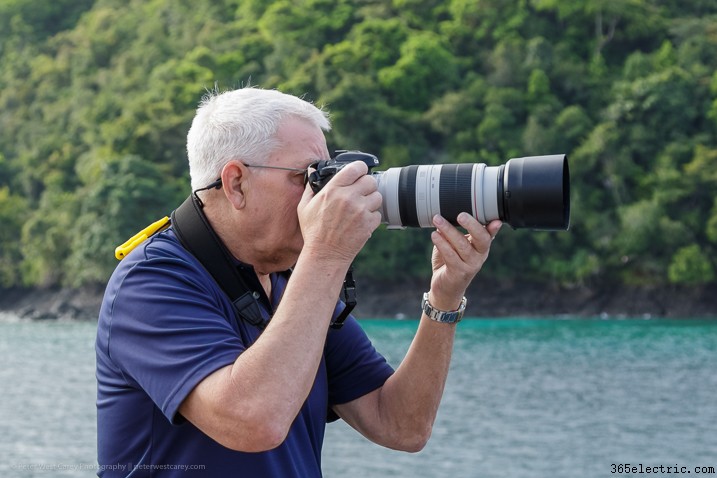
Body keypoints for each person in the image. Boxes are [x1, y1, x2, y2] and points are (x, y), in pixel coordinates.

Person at [95, 87, 502, 477]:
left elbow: (401, 425)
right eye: (307, 176)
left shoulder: (292, 279)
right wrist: (326, 254)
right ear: (236, 182)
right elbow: (254, 421)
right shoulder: (150, 282)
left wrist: (444, 297)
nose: (324, 194)